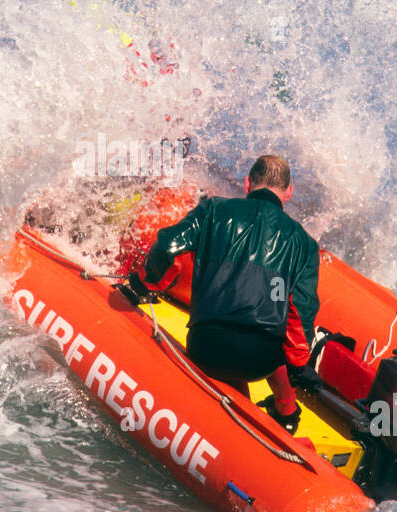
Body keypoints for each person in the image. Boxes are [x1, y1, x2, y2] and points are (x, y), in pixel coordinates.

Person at [122, 155, 321, 433]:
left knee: (234, 334)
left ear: (248, 183)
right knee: (270, 324)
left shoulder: (213, 209)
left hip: (206, 346)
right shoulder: (304, 243)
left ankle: (243, 419)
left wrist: (145, 285)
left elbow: (167, 246)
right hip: (261, 361)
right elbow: (301, 308)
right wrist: (299, 365)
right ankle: (285, 412)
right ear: (289, 192)